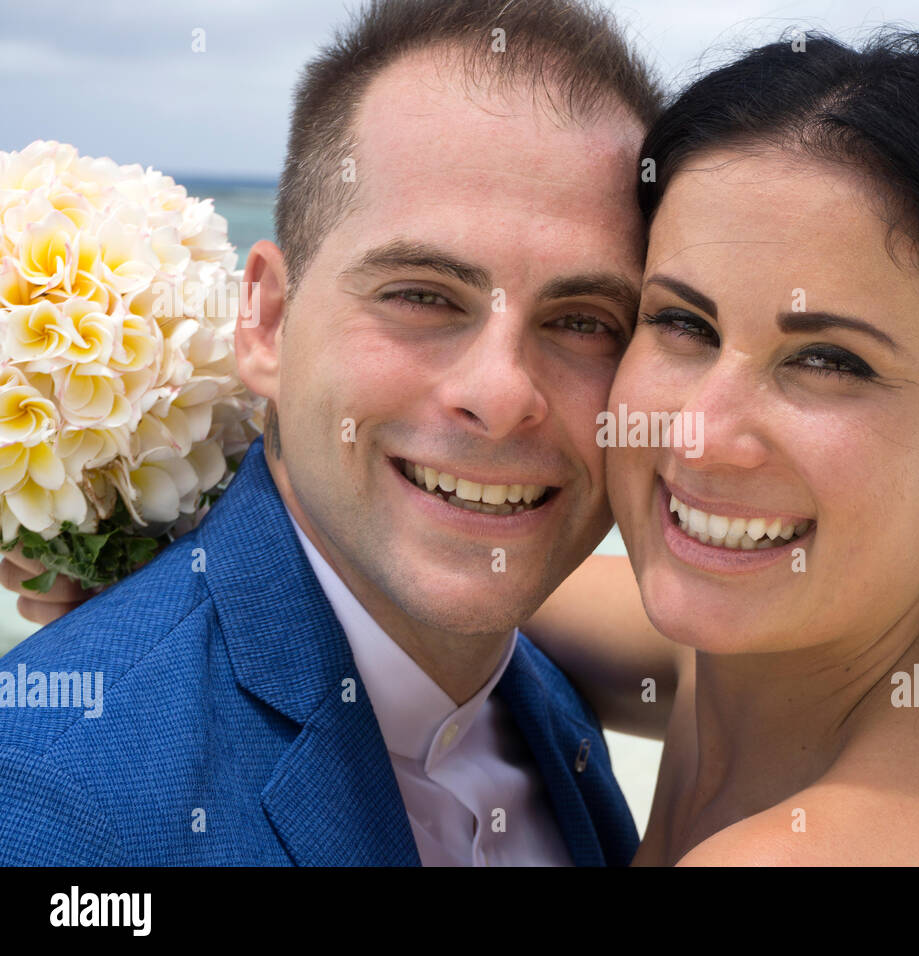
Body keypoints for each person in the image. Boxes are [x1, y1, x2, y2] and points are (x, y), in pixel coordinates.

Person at [11, 26, 919, 867]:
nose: (696, 429)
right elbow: (501, 582)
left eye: (830, 360)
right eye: (676, 321)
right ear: (273, 318)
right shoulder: (734, 659)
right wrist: (170, 535)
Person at [0, 0, 662, 866]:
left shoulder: (547, 711)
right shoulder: (51, 799)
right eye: (424, 295)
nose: (503, 396)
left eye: (584, 320)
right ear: (268, 321)